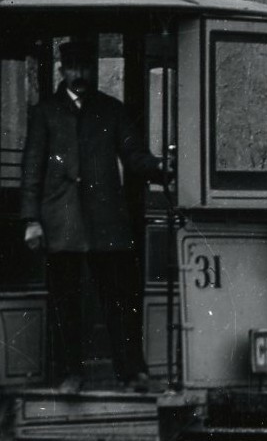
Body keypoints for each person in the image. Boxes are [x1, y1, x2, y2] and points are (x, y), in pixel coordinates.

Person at [18, 42, 166, 390]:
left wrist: (162, 168)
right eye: (73, 68)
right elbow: (31, 171)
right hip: (61, 224)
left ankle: (132, 373)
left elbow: (134, 156)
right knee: (65, 304)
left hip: (106, 225)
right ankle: (70, 374)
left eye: (85, 68)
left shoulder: (111, 111)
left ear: (94, 70)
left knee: (119, 301)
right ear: (61, 70)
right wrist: (31, 220)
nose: (80, 75)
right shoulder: (46, 113)